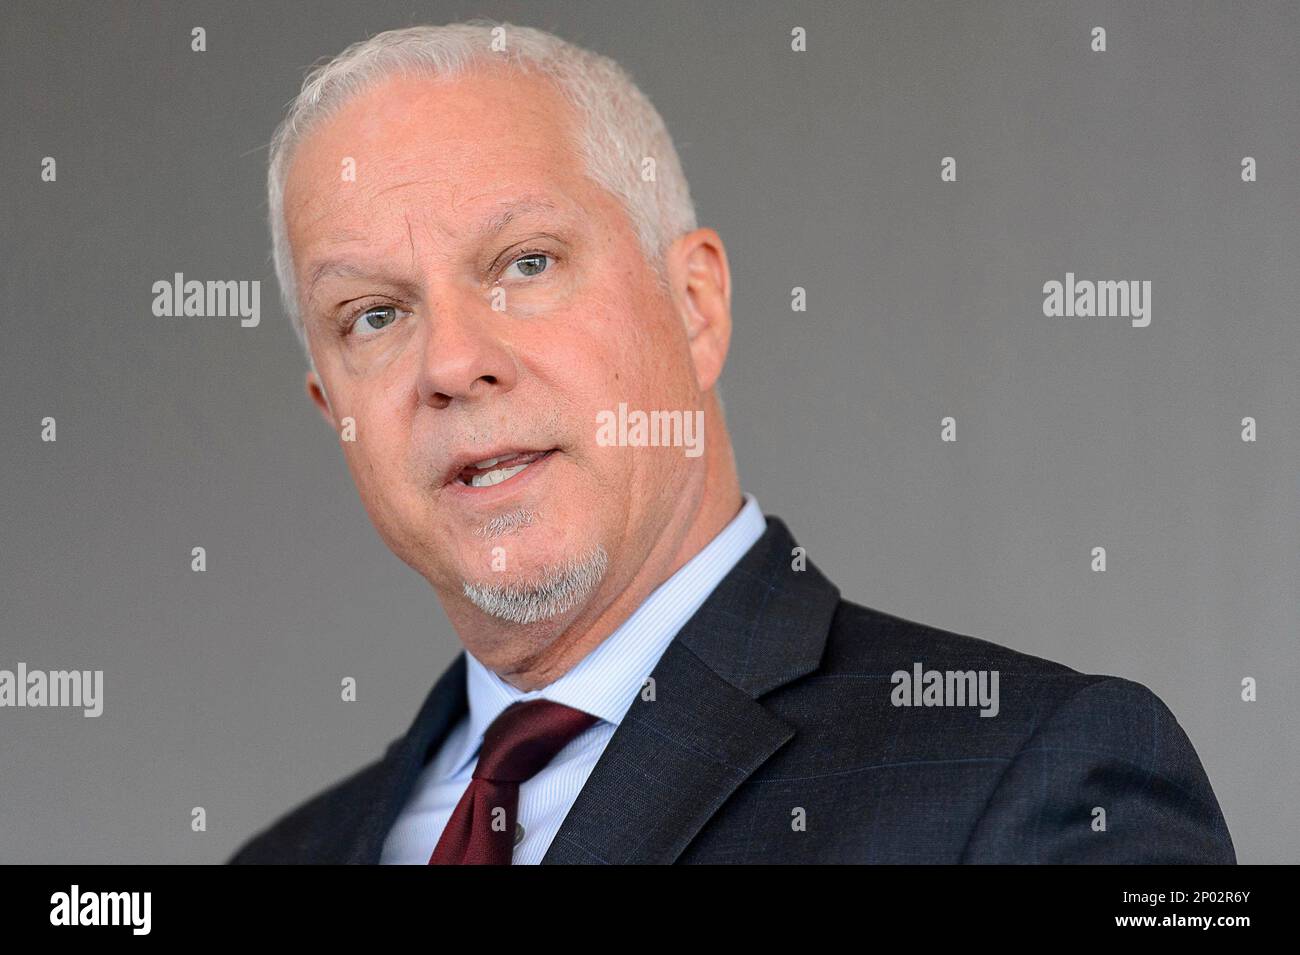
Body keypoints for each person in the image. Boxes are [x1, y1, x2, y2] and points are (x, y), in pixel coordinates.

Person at [228, 21, 1234, 864]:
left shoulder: (1038, 777)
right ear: (332, 408)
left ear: (695, 306)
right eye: (371, 315)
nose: (452, 361)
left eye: (525, 263)